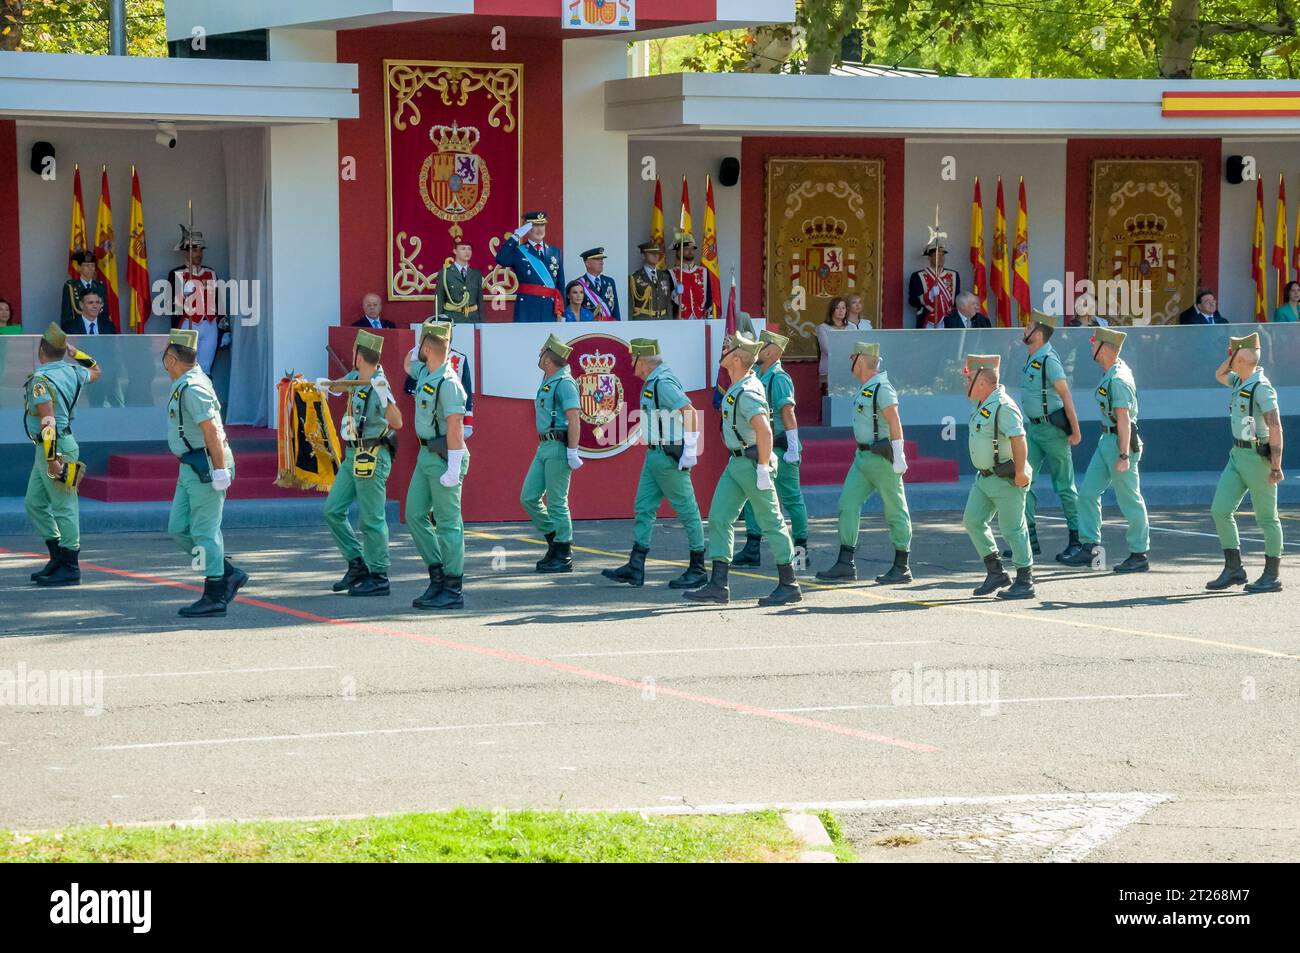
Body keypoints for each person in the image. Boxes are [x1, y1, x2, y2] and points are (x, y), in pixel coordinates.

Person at [684, 332, 801, 607]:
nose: (723, 351)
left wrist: (762, 468)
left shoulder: (747, 391)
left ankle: (789, 583)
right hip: (738, 463)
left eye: (727, 349)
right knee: (719, 517)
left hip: (750, 463)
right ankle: (718, 585)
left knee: (771, 521)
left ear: (736, 358)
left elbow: (765, 431)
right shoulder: (741, 385)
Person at [602, 338, 707, 589]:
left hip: (668, 457)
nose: (630, 363)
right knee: (644, 507)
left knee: (688, 511)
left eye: (633, 358)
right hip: (655, 456)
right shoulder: (654, 382)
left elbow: (690, 412)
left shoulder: (662, 383)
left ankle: (698, 568)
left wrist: (690, 451)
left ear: (643, 360)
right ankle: (635, 566)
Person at [163, 328, 247, 617]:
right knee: (179, 529)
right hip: (191, 464)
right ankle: (226, 572)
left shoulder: (193, 387)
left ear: (171, 359)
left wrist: (221, 470)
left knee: (204, 530)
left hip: (207, 465)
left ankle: (214, 593)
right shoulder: (186, 383)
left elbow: (210, 429)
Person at [815, 341, 912, 585]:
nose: (850, 363)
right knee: (847, 504)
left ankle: (902, 565)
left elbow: (894, 419)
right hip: (862, 458)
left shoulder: (882, 387)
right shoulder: (866, 387)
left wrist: (899, 454)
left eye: (852, 359)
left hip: (881, 458)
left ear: (861, 360)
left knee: (895, 509)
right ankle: (845, 563)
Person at [1061, 327, 1151, 573]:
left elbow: (1124, 419)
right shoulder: (1112, 372)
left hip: (1119, 442)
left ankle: (1139, 553)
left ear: (1105, 348)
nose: (1091, 347)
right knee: (1088, 493)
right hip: (1107, 440)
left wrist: (1123, 455)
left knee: (1130, 499)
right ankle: (1091, 548)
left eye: (1094, 344)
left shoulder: (1118, 379)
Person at [324, 328, 402, 597]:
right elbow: (337, 387)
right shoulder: (357, 377)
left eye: (355, 351)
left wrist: (383, 395)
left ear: (359, 354)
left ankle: (379, 574)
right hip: (352, 454)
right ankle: (357, 563)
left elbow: (397, 421)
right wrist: (313, 385)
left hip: (372, 454)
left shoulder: (380, 382)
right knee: (333, 510)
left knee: (371, 519)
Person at [1207, 333, 1284, 593]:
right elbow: (1219, 374)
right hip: (1237, 455)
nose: (1229, 357)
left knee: (1267, 518)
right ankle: (1234, 569)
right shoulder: (1240, 381)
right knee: (1220, 509)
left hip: (1257, 457)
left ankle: (1271, 575)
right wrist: (1233, 358)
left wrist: (1276, 465)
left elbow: (1275, 426)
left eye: (1233, 353)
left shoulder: (1260, 387)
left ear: (1241, 358)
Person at [24, 323, 97, 587]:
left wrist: (53, 458)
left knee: (64, 507)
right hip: (48, 448)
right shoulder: (73, 371)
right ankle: (57, 555)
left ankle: (70, 564)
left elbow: (48, 420)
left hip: (54, 447)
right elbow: (96, 370)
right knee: (34, 502)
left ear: (41, 350)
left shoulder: (41, 380)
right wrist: (76, 353)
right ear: (62, 351)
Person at [1006, 312, 1084, 562]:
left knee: (1065, 486)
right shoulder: (1033, 357)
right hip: (1035, 430)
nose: (1024, 329)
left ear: (1038, 334)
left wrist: (1075, 429)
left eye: (1028, 326)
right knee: (1023, 481)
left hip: (1052, 430)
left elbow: (1066, 395)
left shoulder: (1049, 359)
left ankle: (1077, 540)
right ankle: (1028, 540)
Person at [406, 320, 471, 609]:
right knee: (415, 514)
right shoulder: (426, 371)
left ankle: (453, 588)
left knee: (448, 524)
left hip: (446, 456)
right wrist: (426, 335)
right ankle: (437, 575)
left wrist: (454, 469)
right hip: (425, 455)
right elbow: (408, 362)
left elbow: (455, 427)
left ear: (429, 347)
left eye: (422, 343)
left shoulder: (449, 382)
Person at [962, 354, 1035, 599]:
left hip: (1006, 478)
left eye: (969, 379)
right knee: (972, 520)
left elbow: (1018, 438)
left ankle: (1025, 580)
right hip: (984, 479)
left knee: (1013, 529)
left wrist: (1021, 472)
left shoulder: (1003, 405)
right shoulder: (984, 404)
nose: (965, 384)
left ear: (981, 382)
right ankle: (996, 572)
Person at [732, 330, 807, 568]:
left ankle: (800, 554)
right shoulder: (760, 377)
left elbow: (787, 412)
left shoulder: (779, 378)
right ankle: (752, 548)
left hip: (782, 448)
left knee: (791, 500)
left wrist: (793, 448)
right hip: (765, 446)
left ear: (774, 350)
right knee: (755, 497)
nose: (759, 349)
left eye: (763, 345)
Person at [521, 333, 582, 572]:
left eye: (541, 353)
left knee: (557, 502)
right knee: (529, 497)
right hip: (544, 445)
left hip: (557, 445)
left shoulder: (565, 383)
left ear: (548, 358)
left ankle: (563, 553)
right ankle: (555, 541)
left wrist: (573, 451)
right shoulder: (549, 379)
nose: (538, 355)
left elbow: (574, 418)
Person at [169, 227, 227, 376]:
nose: (199, 253)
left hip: (210, 325)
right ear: (185, 252)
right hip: (187, 324)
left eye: (200, 250)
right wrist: (183, 294)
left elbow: (218, 302)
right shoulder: (176, 274)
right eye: (194, 250)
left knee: (206, 370)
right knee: (185, 370)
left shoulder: (211, 273)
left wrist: (225, 329)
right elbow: (172, 307)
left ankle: (204, 398)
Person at [495, 211, 564, 322]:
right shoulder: (519, 251)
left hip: (549, 309)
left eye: (542, 225)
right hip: (527, 308)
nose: (540, 229)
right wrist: (516, 236)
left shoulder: (554, 252)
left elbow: (560, 283)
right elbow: (501, 258)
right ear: (527, 228)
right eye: (535, 225)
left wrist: (562, 309)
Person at [909, 241, 960, 328]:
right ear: (929, 258)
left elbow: (957, 300)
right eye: (937, 255)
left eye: (942, 255)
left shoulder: (954, 275)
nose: (941, 258)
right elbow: (912, 301)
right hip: (928, 320)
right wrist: (929, 296)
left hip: (950, 320)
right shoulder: (918, 276)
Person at [435, 239, 483, 323]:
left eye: (469, 249)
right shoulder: (445, 273)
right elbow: (439, 299)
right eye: (463, 249)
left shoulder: (476, 274)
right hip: (452, 318)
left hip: (473, 319)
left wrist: (482, 322)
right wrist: (438, 321)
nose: (467, 252)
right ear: (455, 251)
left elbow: (480, 300)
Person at [59, 251, 107, 329]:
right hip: (77, 330)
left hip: (97, 329)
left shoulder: (100, 287)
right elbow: (66, 316)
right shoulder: (71, 287)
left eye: (92, 265)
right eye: (87, 265)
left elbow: (104, 313)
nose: (90, 268)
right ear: (79, 267)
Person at [629, 240, 675, 320]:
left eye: (657, 253)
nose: (656, 256)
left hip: (663, 320)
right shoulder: (635, 278)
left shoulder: (664, 276)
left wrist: (670, 320)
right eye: (652, 253)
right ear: (643, 256)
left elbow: (668, 302)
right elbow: (630, 305)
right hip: (644, 320)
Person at [574, 247, 620, 321]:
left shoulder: (609, 282)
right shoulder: (578, 284)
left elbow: (616, 310)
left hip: (610, 327)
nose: (602, 262)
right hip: (589, 328)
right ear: (587, 263)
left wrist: (618, 326)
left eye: (602, 259)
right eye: (597, 259)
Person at [816, 296, 852, 390]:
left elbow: (854, 348)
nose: (841, 311)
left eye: (843, 308)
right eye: (837, 308)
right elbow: (828, 350)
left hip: (848, 368)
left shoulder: (851, 328)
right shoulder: (823, 328)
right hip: (829, 369)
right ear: (832, 310)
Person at [672, 235, 712, 319]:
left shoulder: (704, 271)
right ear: (679, 252)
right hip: (680, 318)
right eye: (686, 249)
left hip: (700, 317)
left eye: (692, 249)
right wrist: (675, 292)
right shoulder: (671, 273)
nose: (690, 251)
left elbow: (709, 295)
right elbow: (667, 299)